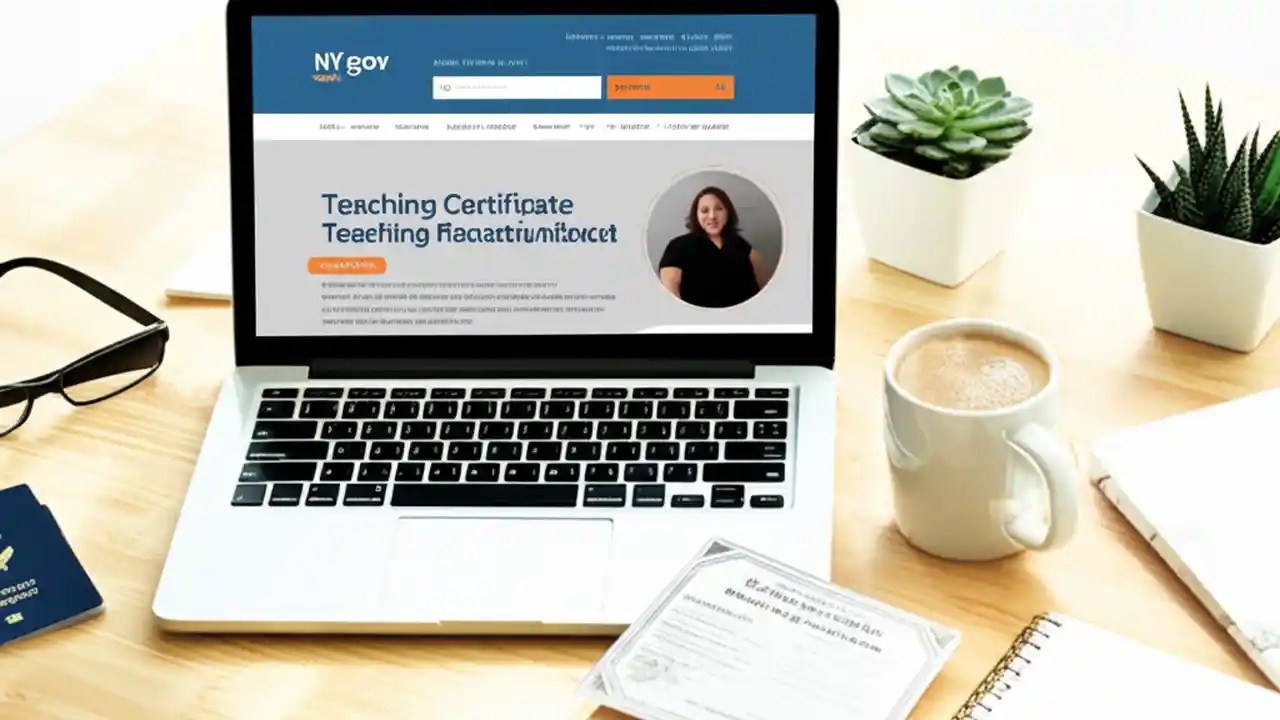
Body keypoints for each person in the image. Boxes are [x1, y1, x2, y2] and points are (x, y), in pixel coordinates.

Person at [657, 186, 772, 308]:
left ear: (728, 213)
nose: (712, 216)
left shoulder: (742, 246)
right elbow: (671, 296)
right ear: (696, 215)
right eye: (705, 210)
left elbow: (767, 289)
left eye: (719, 209)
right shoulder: (678, 247)